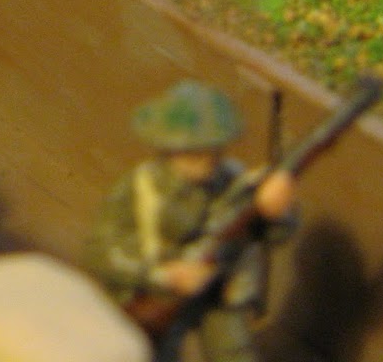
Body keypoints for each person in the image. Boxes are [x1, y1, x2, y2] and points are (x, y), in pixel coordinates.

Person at [92, 80, 297, 362]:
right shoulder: (141, 186)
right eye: (194, 152)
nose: (207, 161)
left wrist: (277, 211)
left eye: (213, 150)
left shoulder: (235, 182)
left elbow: (271, 234)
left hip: (220, 289)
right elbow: (101, 251)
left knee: (234, 353)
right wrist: (163, 275)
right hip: (160, 291)